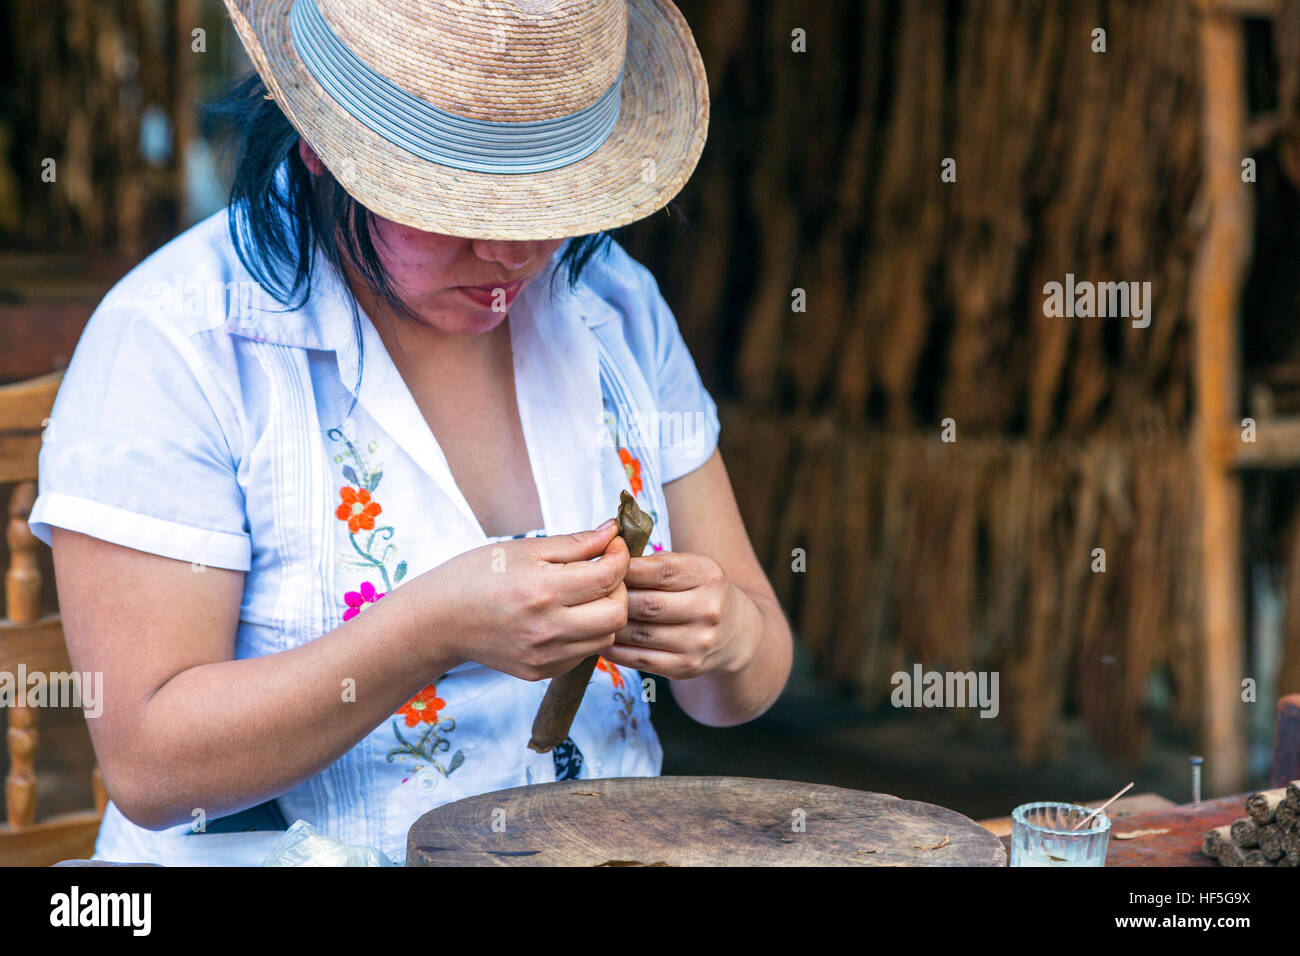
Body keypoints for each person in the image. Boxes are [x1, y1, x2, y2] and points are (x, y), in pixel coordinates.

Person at [29, 0, 792, 865]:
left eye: (547, 203)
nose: (510, 253)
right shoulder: (181, 341)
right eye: (459, 207)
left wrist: (725, 637)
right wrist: (431, 629)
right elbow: (150, 768)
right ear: (322, 142)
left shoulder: (613, 306)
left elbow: (751, 678)